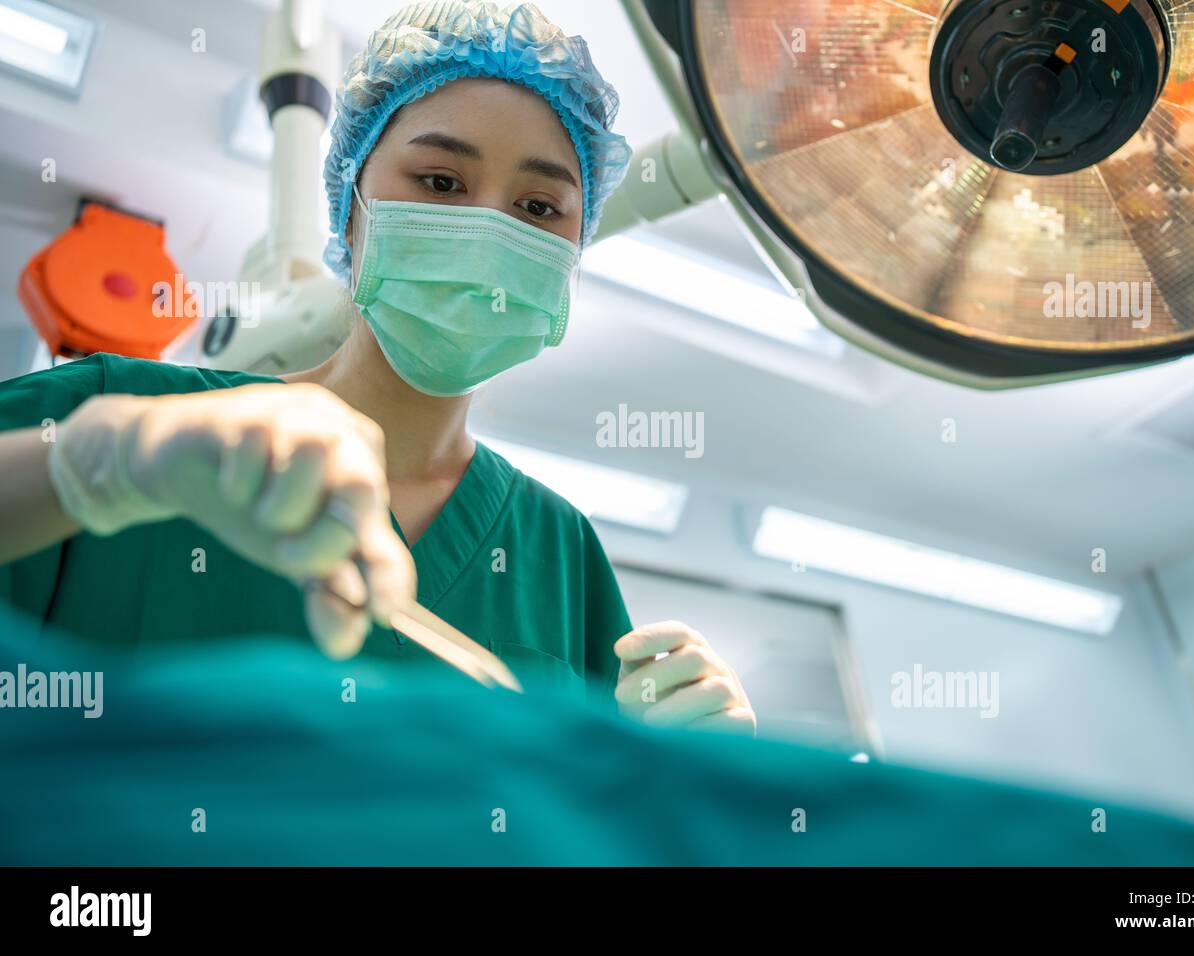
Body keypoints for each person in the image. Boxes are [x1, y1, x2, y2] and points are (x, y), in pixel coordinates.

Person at [0, 1, 755, 733]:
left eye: (537, 207)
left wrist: (686, 771)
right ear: (349, 205)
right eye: (440, 182)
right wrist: (110, 467)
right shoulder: (121, 411)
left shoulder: (560, 552)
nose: (486, 229)